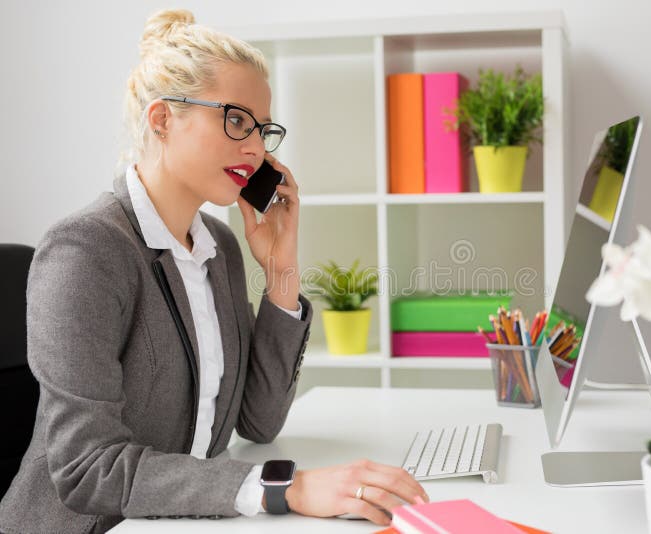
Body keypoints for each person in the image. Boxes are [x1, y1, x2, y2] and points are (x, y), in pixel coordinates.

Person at [0, 9, 427, 534]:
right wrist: (283, 486)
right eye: (236, 120)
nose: (255, 147)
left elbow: (257, 421)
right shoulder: (85, 250)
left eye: (262, 129)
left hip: (181, 521)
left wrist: (281, 269)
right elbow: (88, 470)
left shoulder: (218, 245)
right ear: (161, 120)